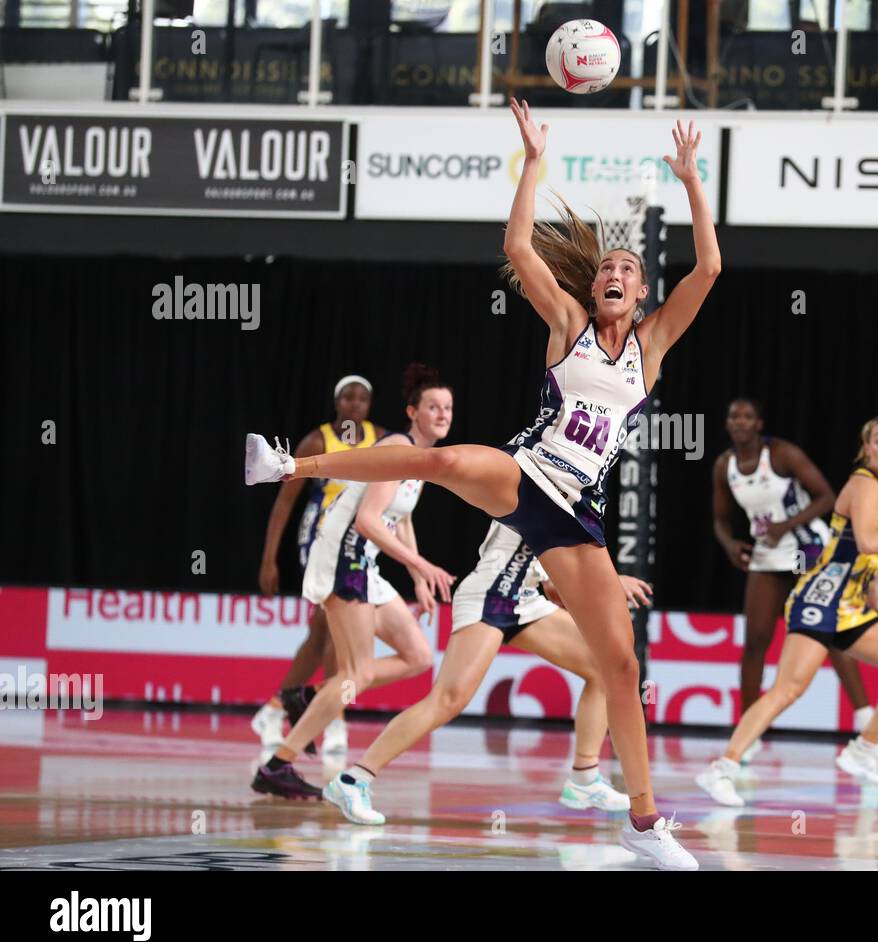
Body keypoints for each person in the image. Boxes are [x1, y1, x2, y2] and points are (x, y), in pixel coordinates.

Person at [246, 102, 720, 870]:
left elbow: (710, 270)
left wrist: (693, 182)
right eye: (608, 266)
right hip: (529, 472)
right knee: (434, 460)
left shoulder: (652, 347)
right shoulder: (567, 321)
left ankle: (640, 820)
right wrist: (532, 162)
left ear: (640, 296)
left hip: (579, 512)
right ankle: (287, 464)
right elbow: (517, 245)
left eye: (628, 271)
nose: (615, 272)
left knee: (622, 667)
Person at [323, 519, 655, 825]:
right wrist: (610, 583)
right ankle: (353, 780)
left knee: (604, 667)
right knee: (447, 700)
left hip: (523, 597)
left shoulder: (575, 495)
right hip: (491, 594)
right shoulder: (536, 477)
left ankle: (584, 777)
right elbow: (567, 568)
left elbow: (555, 582)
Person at [697, 416, 878, 805]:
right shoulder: (863, 484)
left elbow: (876, 543)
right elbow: (869, 541)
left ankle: (865, 748)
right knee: (787, 690)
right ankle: (723, 767)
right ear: (867, 449)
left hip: (852, 604)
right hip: (821, 598)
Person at [251, 364, 457, 800]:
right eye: (433, 407)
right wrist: (423, 566)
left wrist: (417, 575)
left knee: (418, 656)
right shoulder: (399, 448)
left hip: (365, 565)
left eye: (448, 408)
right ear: (412, 412)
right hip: (344, 560)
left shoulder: (418, 459)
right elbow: (367, 522)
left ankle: (312, 696)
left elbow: (400, 516)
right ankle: (278, 763)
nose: (442, 414)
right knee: (357, 673)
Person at [712, 397, 877, 765]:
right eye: (733, 416)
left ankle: (867, 722)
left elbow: (827, 497)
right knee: (755, 640)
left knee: (826, 632)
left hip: (807, 548)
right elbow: (720, 519)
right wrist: (729, 544)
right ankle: (748, 730)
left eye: (747, 416)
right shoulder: (725, 466)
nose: (740, 422)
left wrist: (786, 526)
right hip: (767, 554)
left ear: (759, 424)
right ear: (727, 424)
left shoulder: (782, 454)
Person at [250, 375, 384, 756]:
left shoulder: (383, 438)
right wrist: (269, 558)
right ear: (338, 403)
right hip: (321, 540)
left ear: (369, 404)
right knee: (332, 630)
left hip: (358, 544)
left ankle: (276, 709)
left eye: (362, 397)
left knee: (322, 633)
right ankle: (334, 721)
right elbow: (284, 503)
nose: (355, 404)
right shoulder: (318, 440)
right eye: (348, 397)